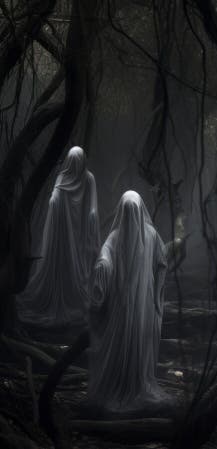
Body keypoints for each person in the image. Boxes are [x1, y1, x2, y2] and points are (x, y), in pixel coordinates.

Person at [87, 191, 170, 416]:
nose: (132, 215)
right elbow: (106, 257)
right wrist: (103, 266)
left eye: (134, 211)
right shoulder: (121, 237)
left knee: (136, 341)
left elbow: (161, 261)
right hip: (124, 304)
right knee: (124, 340)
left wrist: (155, 292)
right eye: (128, 210)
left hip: (140, 304)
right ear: (123, 212)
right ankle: (123, 382)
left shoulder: (146, 235)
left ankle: (135, 383)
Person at [17, 146, 99, 328]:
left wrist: (92, 217)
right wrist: (55, 200)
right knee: (63, 263)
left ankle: (74, 299)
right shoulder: (63, 177)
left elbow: (93, 206)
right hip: (63, 234)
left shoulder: (88, 178)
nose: (74, 165)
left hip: (80, 233)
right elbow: (55, 195)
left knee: (78, 267)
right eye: (72, 161)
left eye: (77, 161)